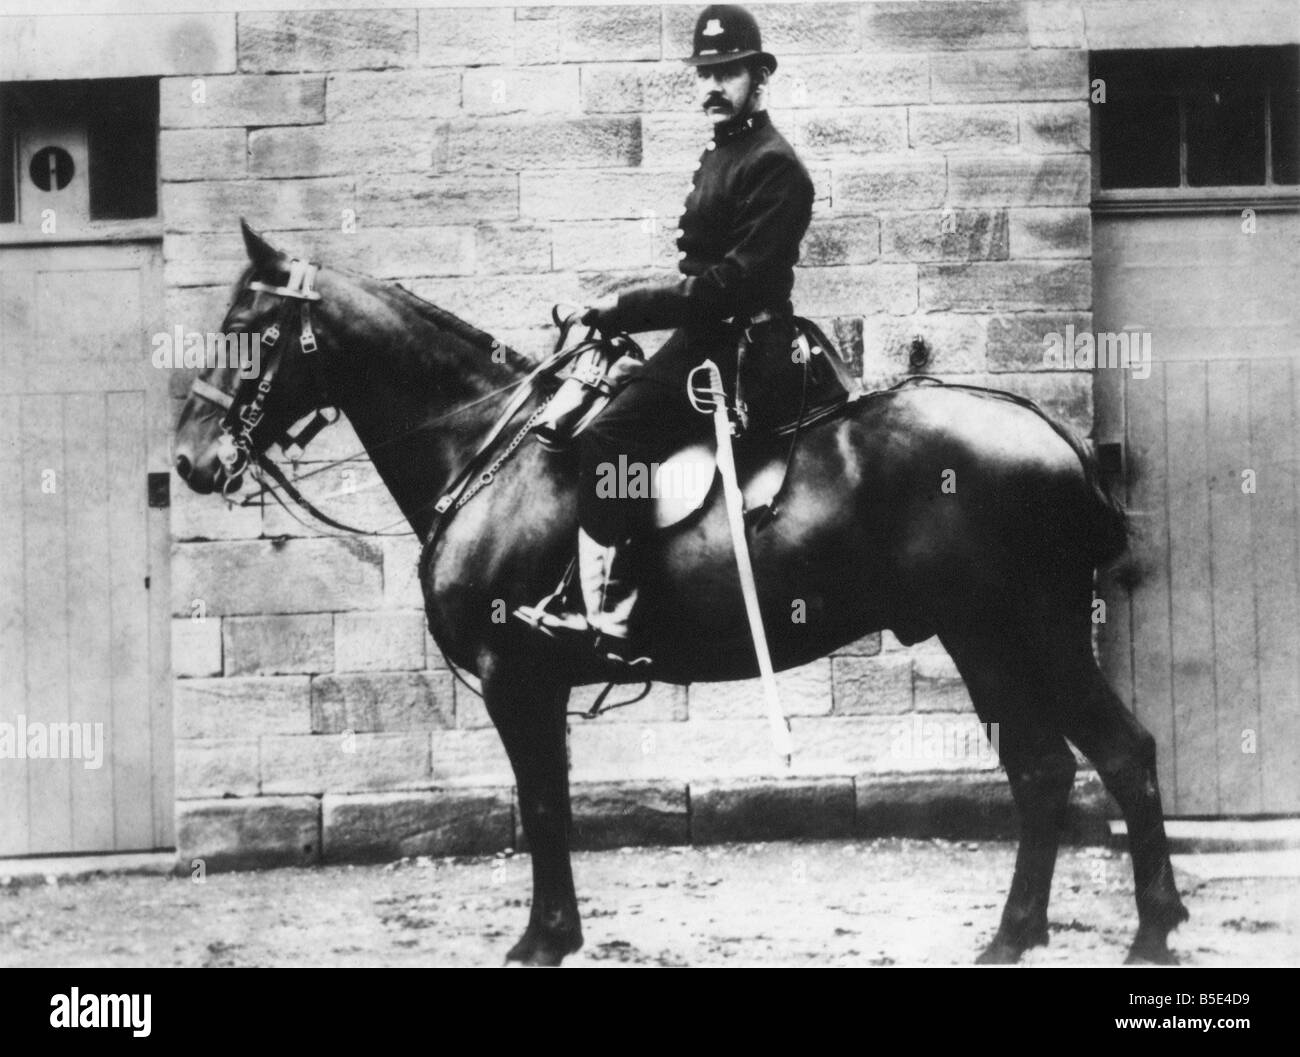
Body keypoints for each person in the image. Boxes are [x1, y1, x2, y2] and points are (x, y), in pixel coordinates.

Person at [517, 4, 816, 668]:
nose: (713, 86)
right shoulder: (726, 153)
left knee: (609, 438)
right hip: (706, 343)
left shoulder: (775, 166)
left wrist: (624, 306)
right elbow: (699, 277)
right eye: (705, 73)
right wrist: (611, 308)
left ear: (758, 77)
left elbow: (728, 286)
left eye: (728, 72)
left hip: (742, 355)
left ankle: (610, 616)